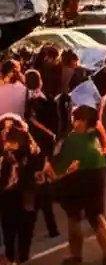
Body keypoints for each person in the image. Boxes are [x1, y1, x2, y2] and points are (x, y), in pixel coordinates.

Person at [48, 104, 106, 265]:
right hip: (97, 176)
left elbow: (61, 163)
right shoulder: (97, 136)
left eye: (75, 118)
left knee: (74, 217)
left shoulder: (72, 139)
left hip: (76, 180)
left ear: (82, 121)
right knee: (97, 216)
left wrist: (55, 176)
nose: (73, 122)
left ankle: (76, 256)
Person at [1, 117, 41, 265]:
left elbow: (36, 165)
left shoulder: (29, 148)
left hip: (23, 191)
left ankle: (18, 257)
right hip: (11, 191)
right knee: (12, 225)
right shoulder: (9, 152)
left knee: (21, 223)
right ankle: (13, 258)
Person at [23, 70, 59, 238]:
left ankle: (28, 229)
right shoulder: (49, 101)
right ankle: (51, 227)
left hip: (29, 151)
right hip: (44, 149)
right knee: (43, 188)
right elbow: (56, 127)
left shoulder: (25, 102)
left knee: (30, 191)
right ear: (40, 82)